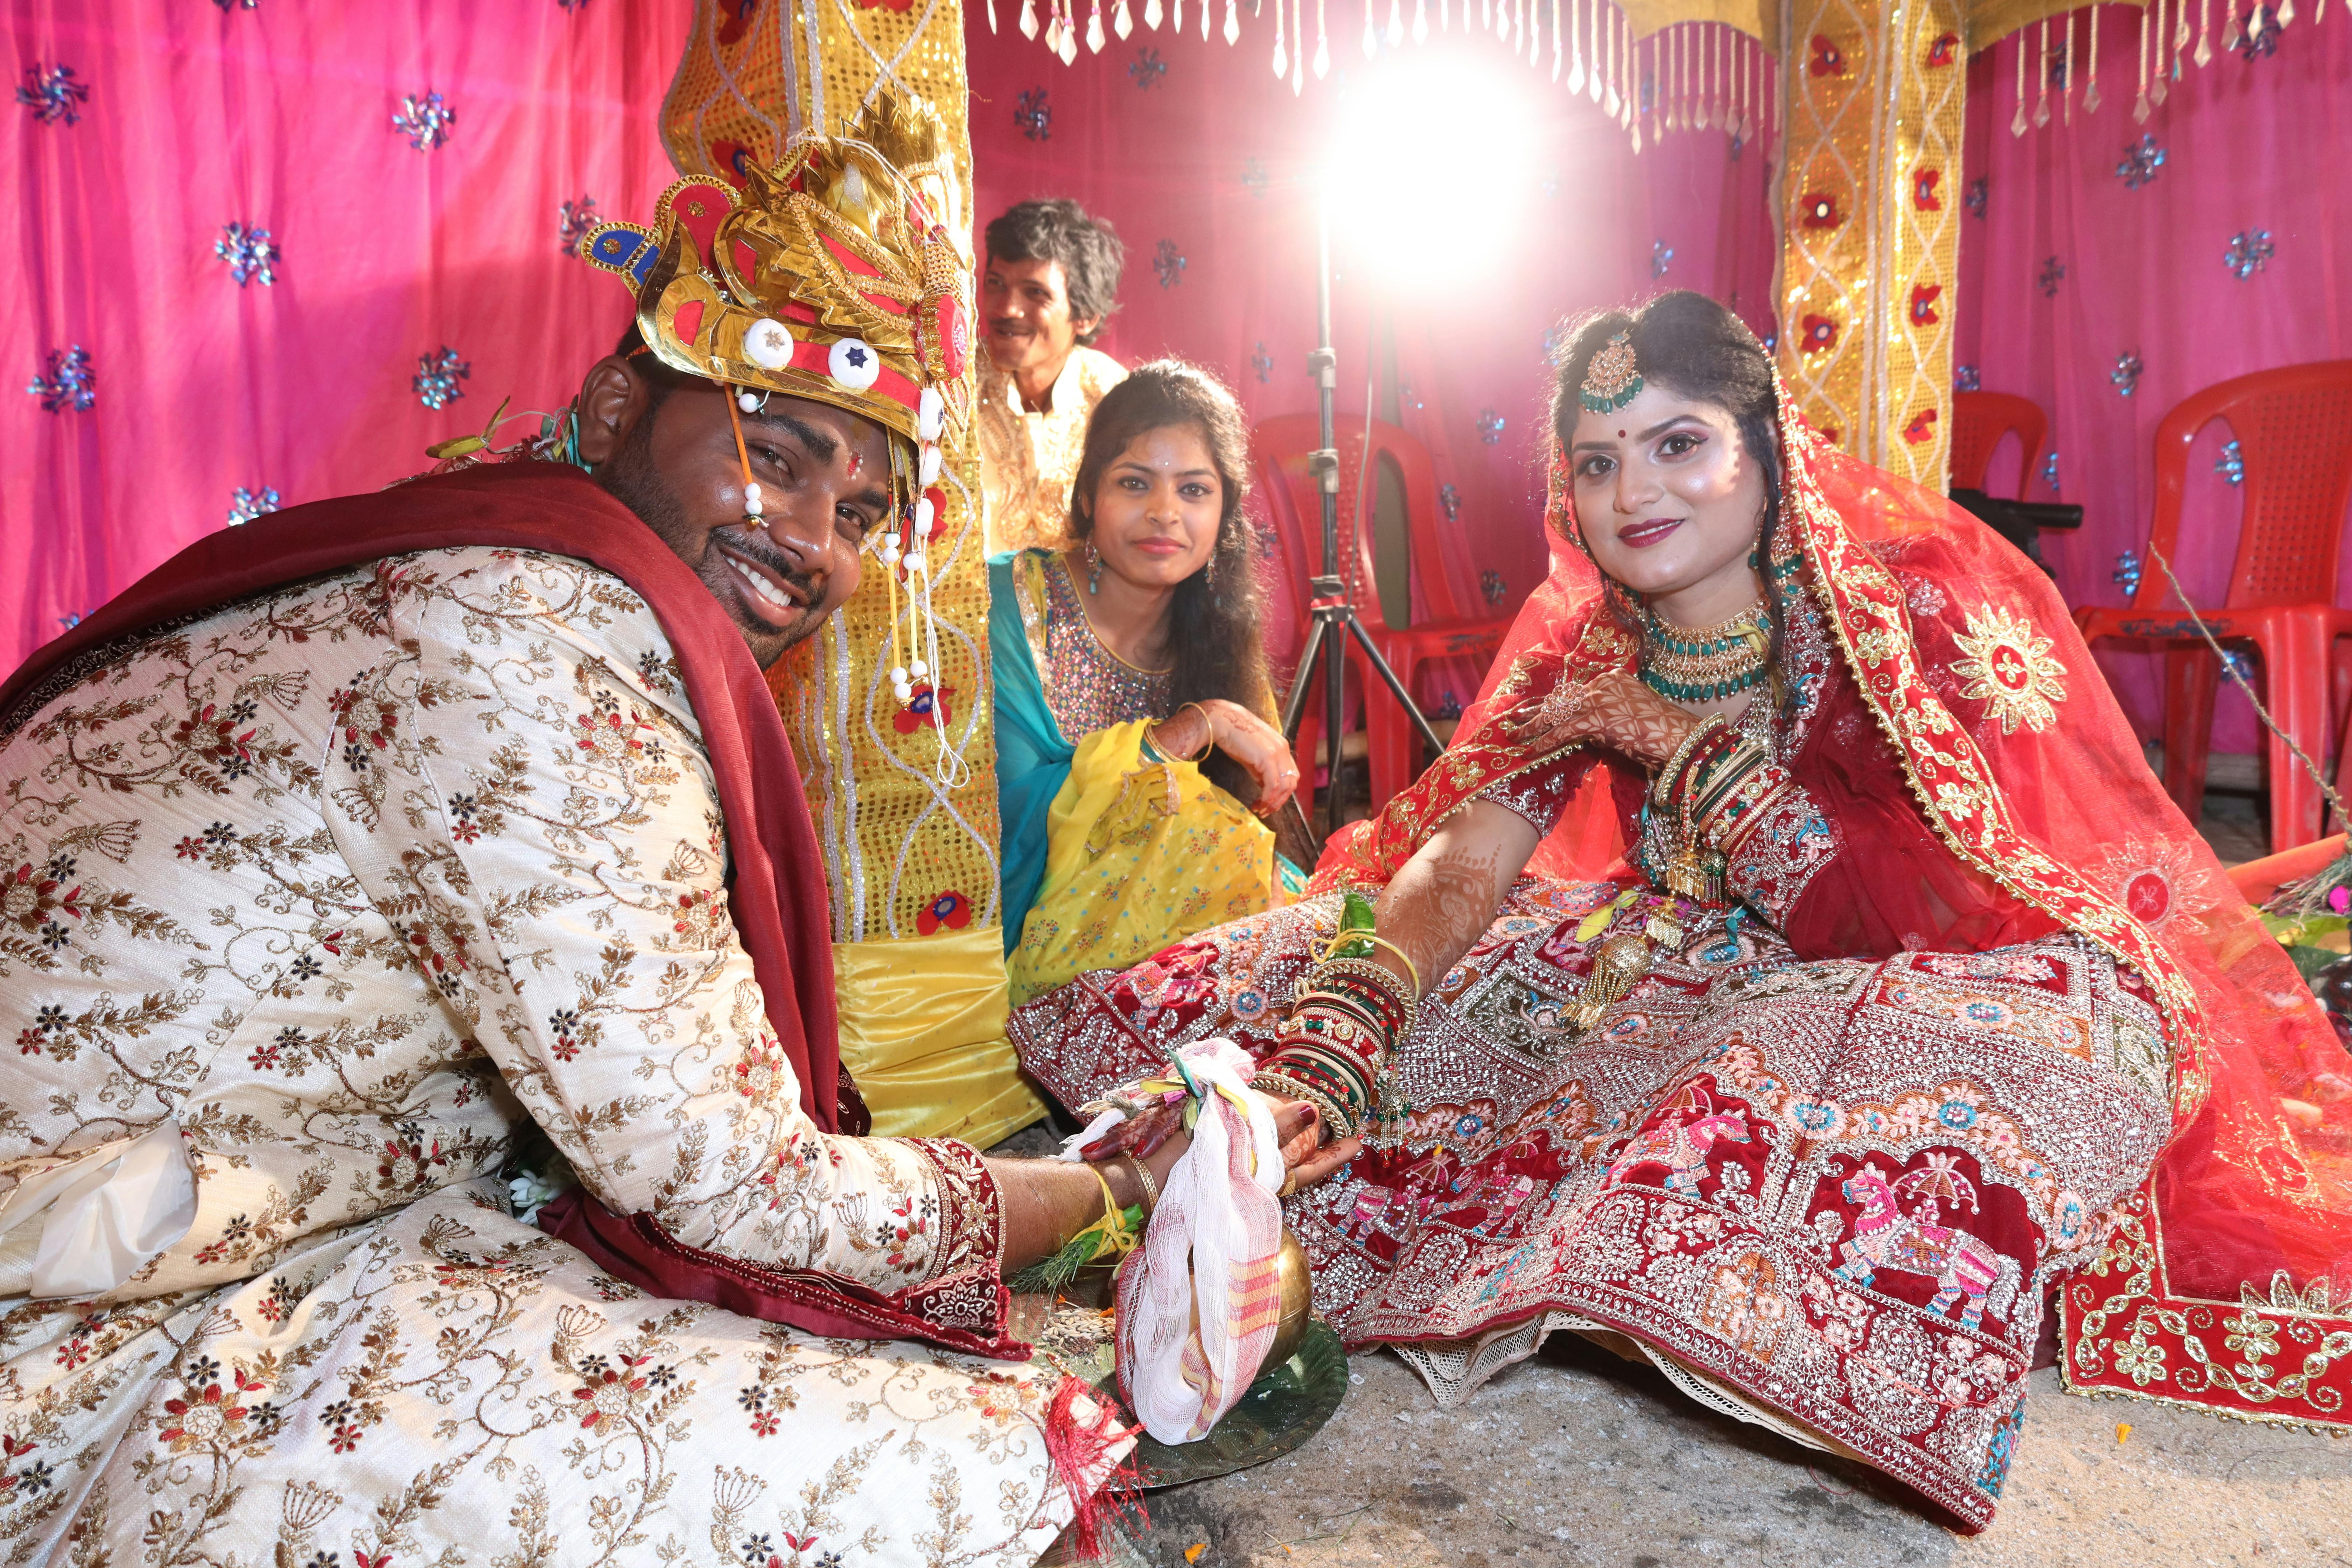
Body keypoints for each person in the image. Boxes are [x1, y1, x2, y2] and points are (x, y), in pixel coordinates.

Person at [0, 97, 1324, 1568]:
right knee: (951, 1458)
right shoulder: (526, 641)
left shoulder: (518, 577)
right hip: (89, 1307)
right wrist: (1123, 1187)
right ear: (623, 410)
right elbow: (726, 1174)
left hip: (264, 1194)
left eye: (862, 502)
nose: (815, 533)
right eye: (775, 447)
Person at [1009, 291, 2352, 1531]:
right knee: (1292, 969)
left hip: (1876, 978)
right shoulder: (1588, 648)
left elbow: (1934, 920)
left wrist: (1680, 746)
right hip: (1660, 966)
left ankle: (1677, 1283)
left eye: (1674, 444)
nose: (1630, 490)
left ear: (1765, 457)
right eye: (1593, 463)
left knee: (2055, 1033)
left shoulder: (1891, 617)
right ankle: (1583, 1256)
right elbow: (1461, 871)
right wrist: (1338, 1039)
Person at [993, 360, 1303, 1008]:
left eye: (1194, 491)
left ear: (1226, 513)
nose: (1165, 513)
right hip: (1020, 946)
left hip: (1166, 947)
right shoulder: (1007, 608)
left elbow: (1249, 826)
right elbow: (1009, 813)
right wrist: (1191, 730)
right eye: (1135, 483)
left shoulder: (1219, 633)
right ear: (1086, 498)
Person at [976, 198, 1129, 555]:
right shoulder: (949, 384)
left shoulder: (1116, 400)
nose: (1006, 309)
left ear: (1086, 316)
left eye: (1036, 293)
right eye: (996, 283)